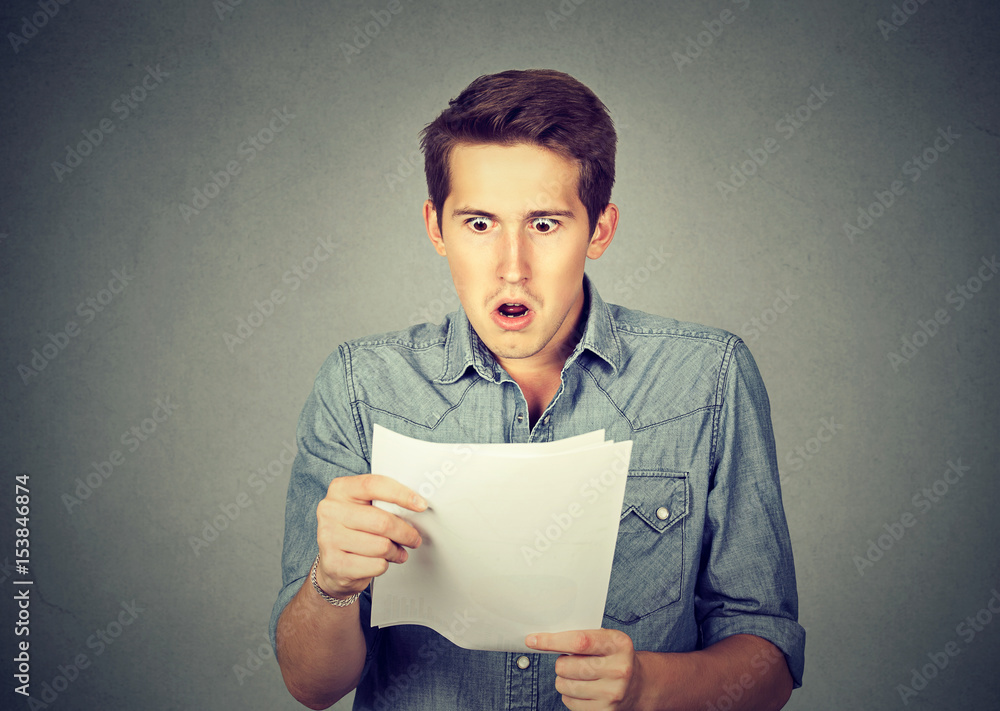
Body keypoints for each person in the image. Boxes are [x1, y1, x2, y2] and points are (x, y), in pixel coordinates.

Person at [270, 69, 805, 711]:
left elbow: (768, 661)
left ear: (598, 230)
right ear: (436, 228)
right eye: (478, 224)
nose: (512, 265)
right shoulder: (360, 386)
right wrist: (331, 584)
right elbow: (310, 686)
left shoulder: (709, 376)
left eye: (545, 224)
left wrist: (646, 687)